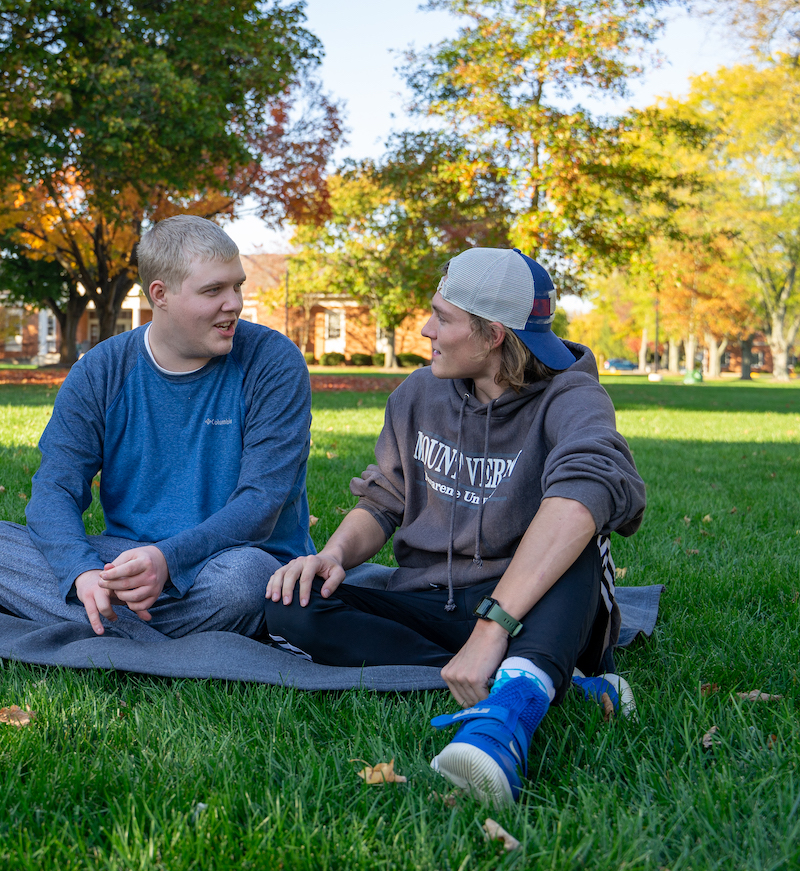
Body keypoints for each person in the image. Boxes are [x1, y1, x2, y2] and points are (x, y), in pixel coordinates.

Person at [264, 247, 646, 807]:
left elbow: (592, 485)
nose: (426, 329)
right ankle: (537, 684)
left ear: (492, 334)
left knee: (577, 531)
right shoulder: (418, 394)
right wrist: (336, 555)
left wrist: (492, 627)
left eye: (443, 318)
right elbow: (387, 499)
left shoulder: (573, 397)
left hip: (536, 608)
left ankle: (503, 726)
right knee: (289, 603)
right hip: (435, 606)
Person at [0, 216, 315, 639]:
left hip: (233, 558)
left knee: (245, 583)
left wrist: (167, 559)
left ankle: (98, 625)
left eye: (237, 286)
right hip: (128, 560)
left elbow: (261, 503)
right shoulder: (101, 370)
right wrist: (80, 572)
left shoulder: (272, 361)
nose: (235, 303)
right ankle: (136, 625)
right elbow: (55, 488)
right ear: (160, 294)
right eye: (213, 291)